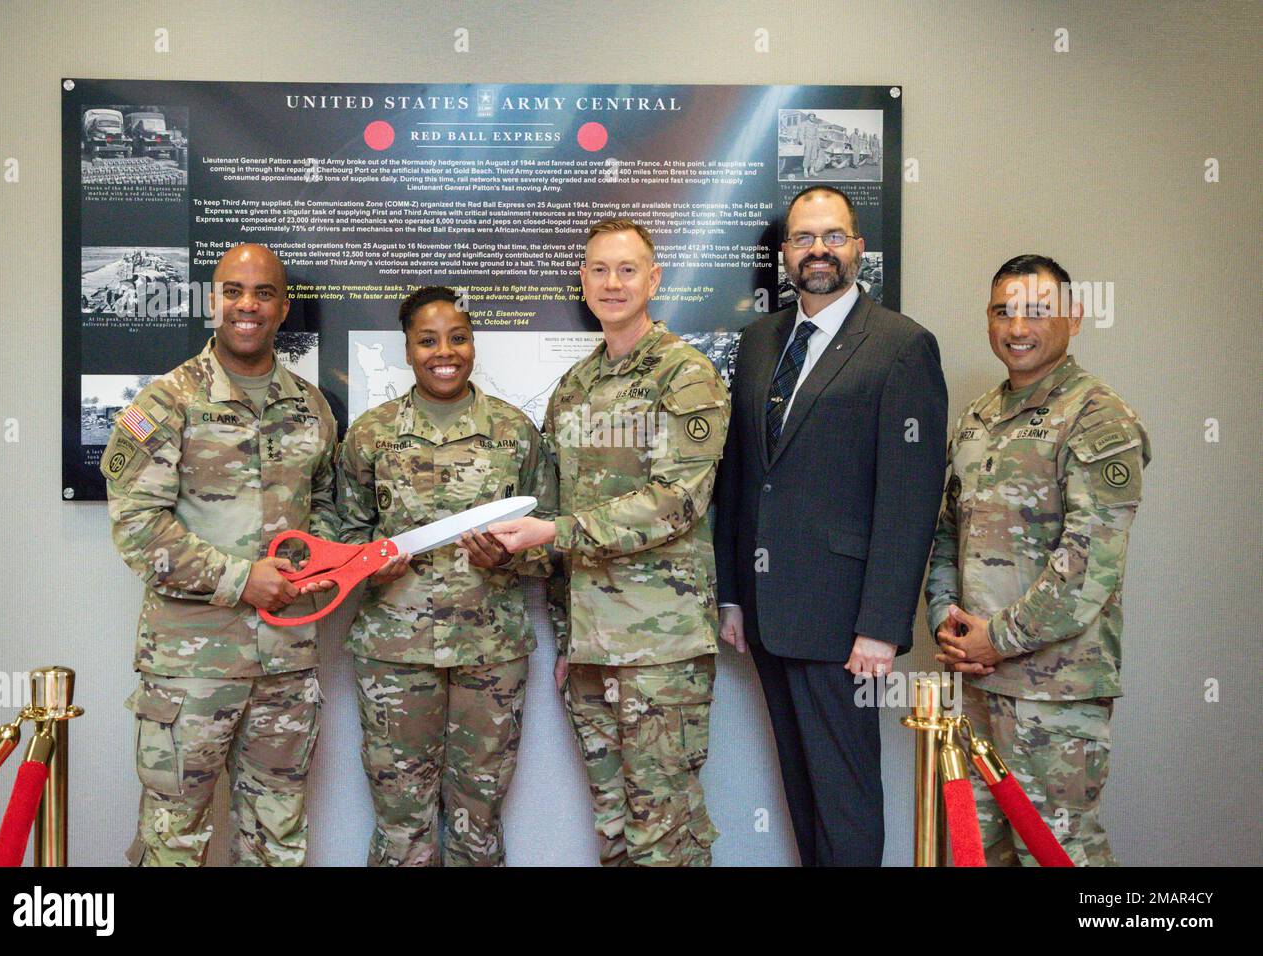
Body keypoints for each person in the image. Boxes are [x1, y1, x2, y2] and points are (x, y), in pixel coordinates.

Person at [713, 186, 948, 866]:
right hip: (766, 611)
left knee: (844, 798)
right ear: (785, 253)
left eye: (833, 236)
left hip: (846, 622)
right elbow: (741, 476)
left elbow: (911, 498)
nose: (818, 249)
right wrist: (732, 594)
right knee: (802, 789)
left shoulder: (902, 346)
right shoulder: (760, 342)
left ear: (857, 247)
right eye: (803, 238)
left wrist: (881, 626)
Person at [490, 218, 730, 866]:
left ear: (653, 279)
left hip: (660, 645)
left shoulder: (686, 374)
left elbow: (678, 500)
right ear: (584, 282)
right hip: (592, 647)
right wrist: (569, 633)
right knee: (616, 829)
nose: (613, 282)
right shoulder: (575, 387)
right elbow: (558, 506)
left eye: (627, 269)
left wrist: (555, 532)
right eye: (599, 269)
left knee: (665, 829)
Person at [102, 243, 339, 866]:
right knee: (174, 840)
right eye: (233, 290)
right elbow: (136, 527)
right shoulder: (166, 402)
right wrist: (240, 579)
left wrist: (342, 562)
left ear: (283, 308)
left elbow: (327, 515)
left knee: (277, 838)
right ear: (214, 300)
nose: (247, 306)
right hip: (192, 668)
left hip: (284, 664)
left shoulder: (311, 408)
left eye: (263, 293)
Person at [926, 255, 1150, 866]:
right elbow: (948, 531)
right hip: (976, 682)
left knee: (1057, 851)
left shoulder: (1099, 418)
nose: (1017, 327)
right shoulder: (978, 418)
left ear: (1073, 319)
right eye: (1003, 311)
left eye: (1036, 311)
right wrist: (945, 618)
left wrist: (995, 638)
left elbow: (1090, 565)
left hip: (1055, 689)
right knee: (980, 852)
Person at [334, 286, 557, 866]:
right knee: (400, 821)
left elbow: (553, 538)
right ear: (406, 349)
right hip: (394, 653)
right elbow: (343, 539)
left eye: (458, 337)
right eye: (427, 340)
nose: (445, 352)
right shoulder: (370, 434)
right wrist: (372, 562)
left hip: (490, 651)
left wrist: (508, 558)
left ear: (472, 344)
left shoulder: (516, 433)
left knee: (477, 818)